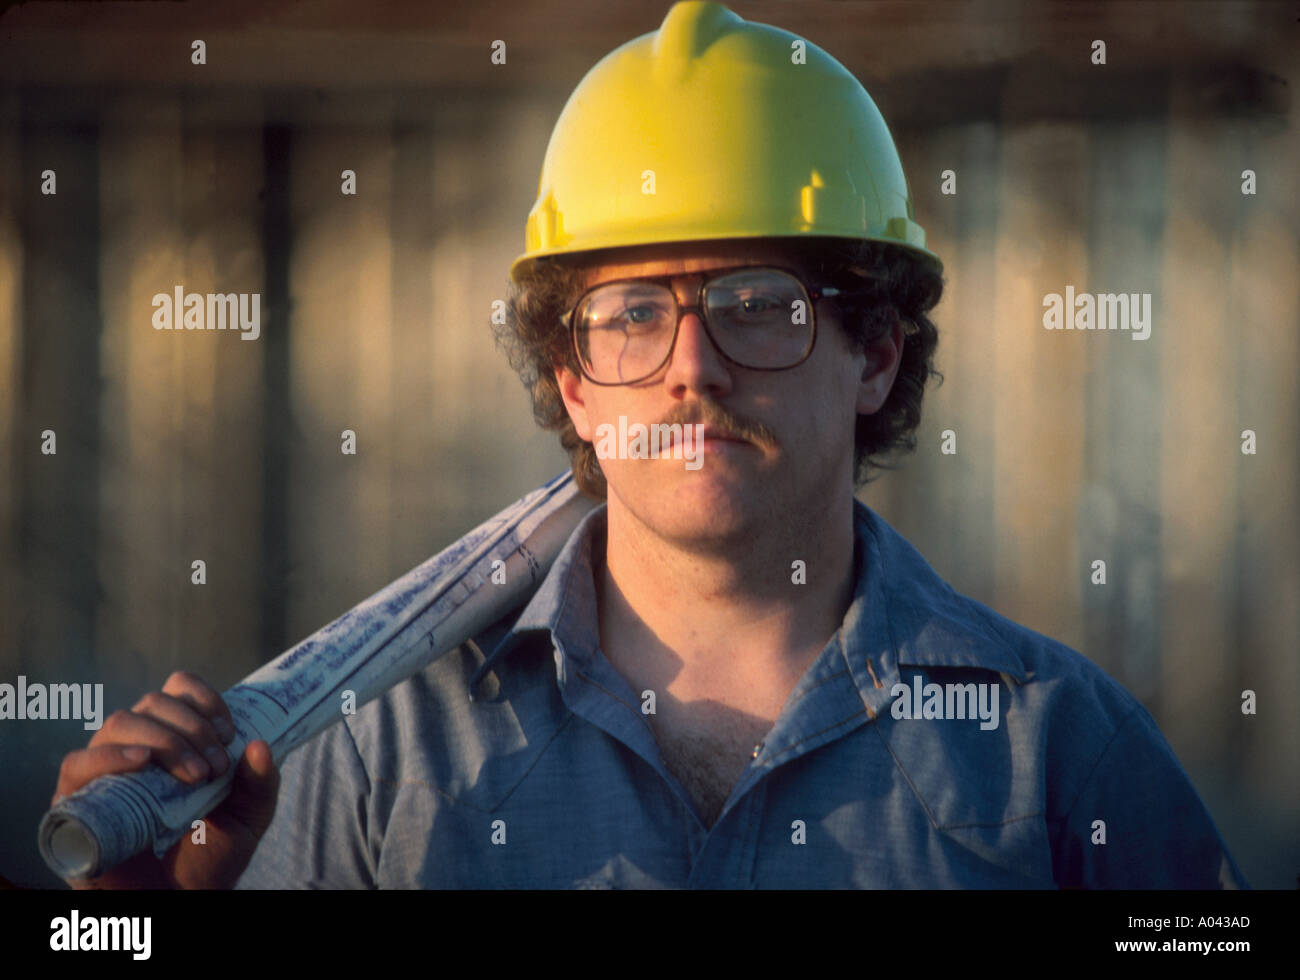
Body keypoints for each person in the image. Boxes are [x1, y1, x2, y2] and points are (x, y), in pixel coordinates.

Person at [52, 0, 1246, 889]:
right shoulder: (383, 751)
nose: (691, 364)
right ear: (571, 380)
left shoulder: (1058, 754)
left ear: (874, 353)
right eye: (631, 314)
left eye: (757, 305)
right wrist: (123, 928)